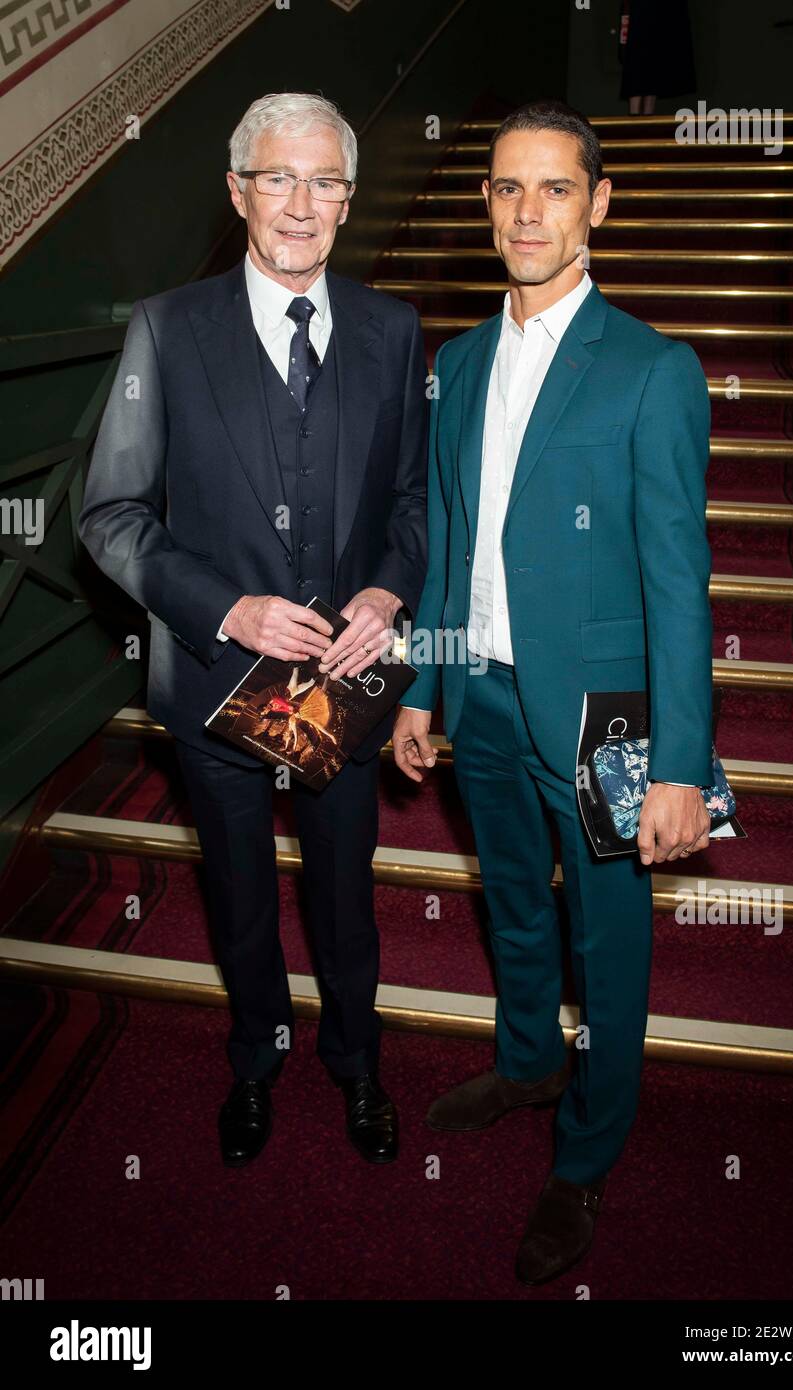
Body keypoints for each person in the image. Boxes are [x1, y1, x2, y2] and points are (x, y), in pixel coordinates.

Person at [394, 99, 712, 1285]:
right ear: (487, 204)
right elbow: (448, 540)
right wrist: (423, 686)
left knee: (607, 939)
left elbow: (679, 579)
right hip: (478, 695)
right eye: (507, 188)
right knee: (514, 904)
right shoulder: (457, 363)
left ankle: (586, 1151)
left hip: (602, 713)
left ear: (598, 205)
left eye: (555, 188)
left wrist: (679, 764)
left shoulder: (652, 369)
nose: (528, 212)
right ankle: (528, 1059)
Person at [78, 92, 428, 1169]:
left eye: (324, 182)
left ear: (349, 199)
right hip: (216, 682)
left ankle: (358, 1063)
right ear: (237, 191)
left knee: (346, 897)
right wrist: (222, 607)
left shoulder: (392, 328)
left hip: (345, 686)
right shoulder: (165, 328)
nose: (300, 204)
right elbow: (111, 515)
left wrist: (387, 594)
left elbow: (414, 504)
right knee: (237, 897)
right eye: (278, 178)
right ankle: (256, 1061)